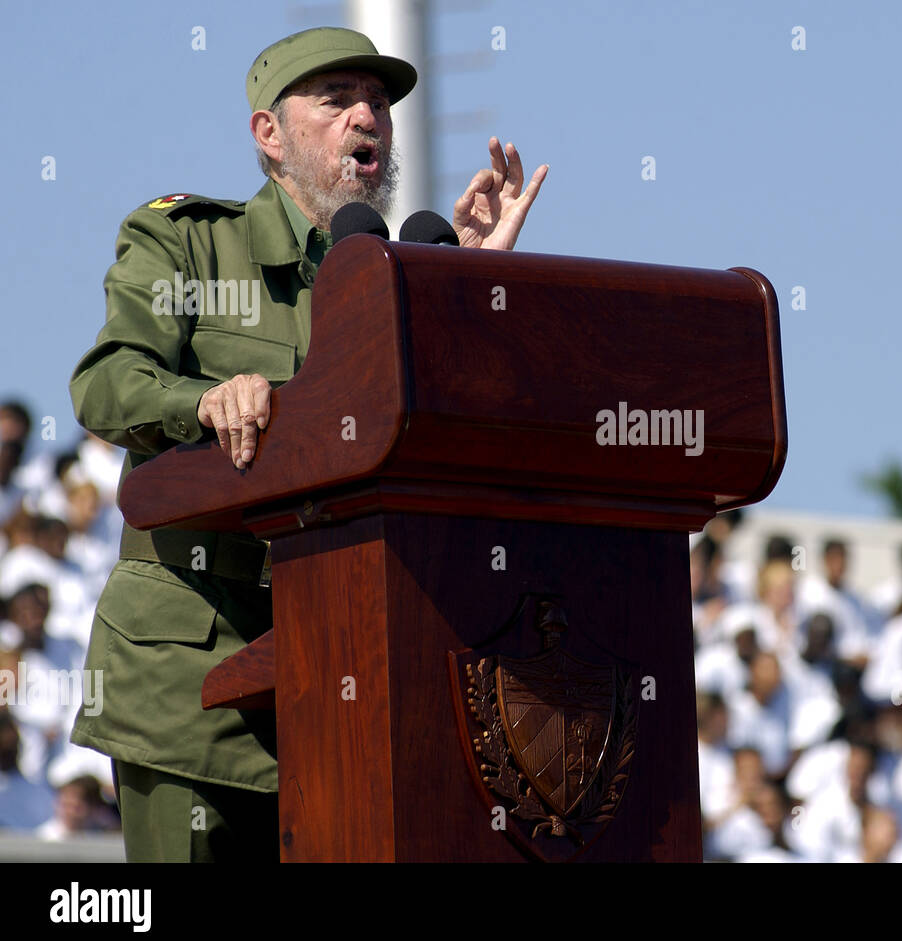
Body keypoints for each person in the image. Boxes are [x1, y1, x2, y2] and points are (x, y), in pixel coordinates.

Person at [66, 26, 546, 862]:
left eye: (378, 102)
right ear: (269, 134)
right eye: (337, 100)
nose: (368, 117)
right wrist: (204, 401)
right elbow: (106, 386)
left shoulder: (399, 272)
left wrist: (465, 286)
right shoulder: (189, 241)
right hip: (193, 681)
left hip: (352, 680)